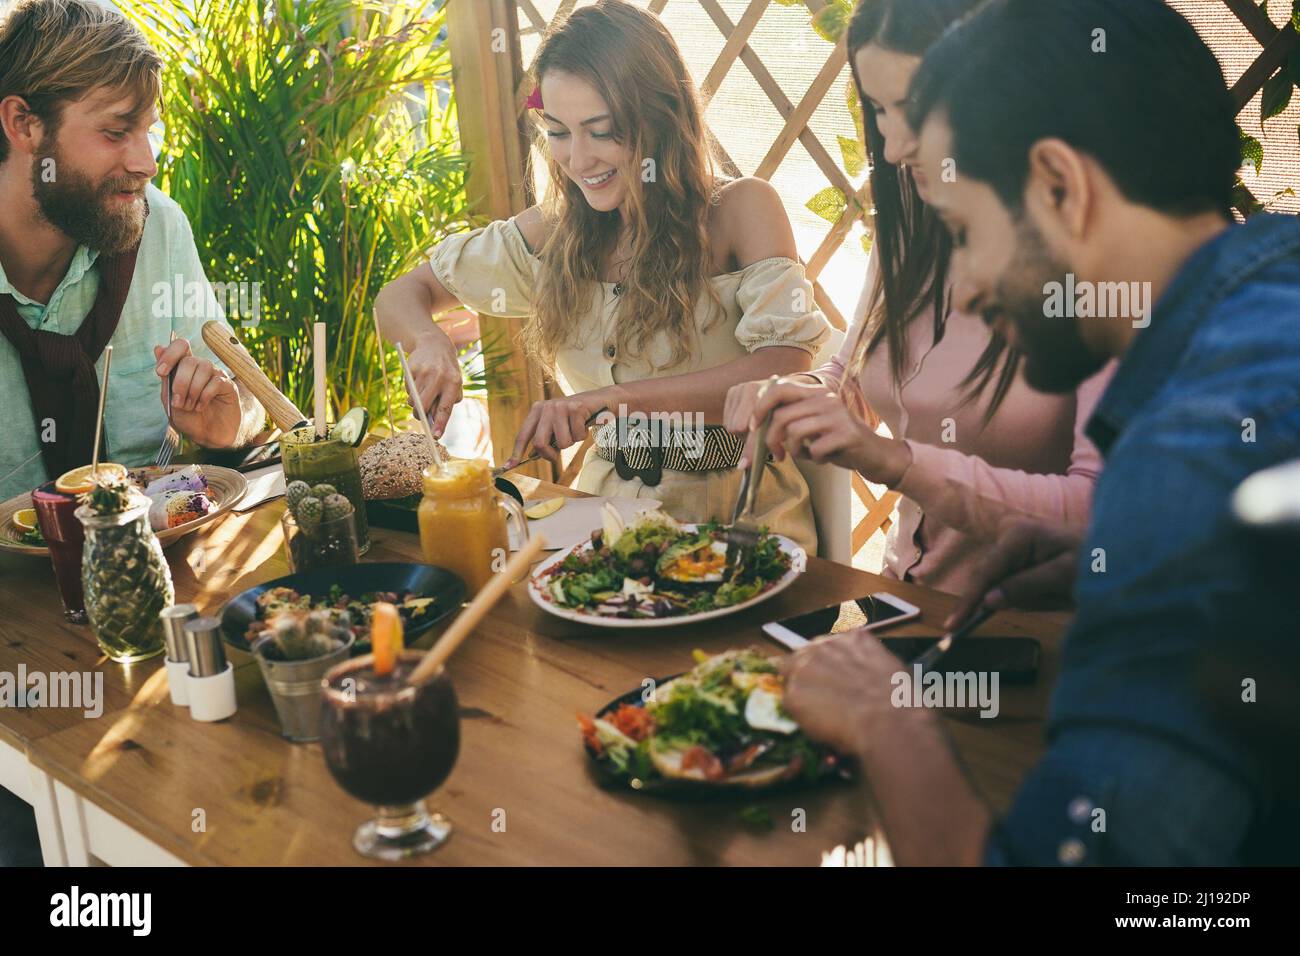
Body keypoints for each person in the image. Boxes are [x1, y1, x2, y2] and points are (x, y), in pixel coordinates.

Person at [782, 0, 1300, 865]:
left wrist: (887, 720)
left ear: (1060, 185)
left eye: (963, 231)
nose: (970, 287)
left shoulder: (1188, 466)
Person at [375, 0, 829, 550]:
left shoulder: (741, 209)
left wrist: (602, 402)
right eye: (559, 131)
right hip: (603, 523)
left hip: (743, 526)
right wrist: (429, 341)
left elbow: (783, 364)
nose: (578, 158)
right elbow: (403, 293)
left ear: (662, 118)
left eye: (603, 130)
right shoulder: (553, 233)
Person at [724, 0, 1111, 594]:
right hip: (904, 597)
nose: (896, 145)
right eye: (879, 110)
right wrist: (798, 397)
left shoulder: (1105, 255)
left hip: (1035, 633)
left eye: (918, 109)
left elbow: (1099, 512)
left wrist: (890, 460)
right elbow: (855, 373)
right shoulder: (910, 211)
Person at [0, 0, 265, 502]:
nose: (146, 163)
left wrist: (230, 421)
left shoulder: (156, 224)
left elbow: (248, 400)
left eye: (148, 131)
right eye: (116, 132)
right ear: (24, 123)